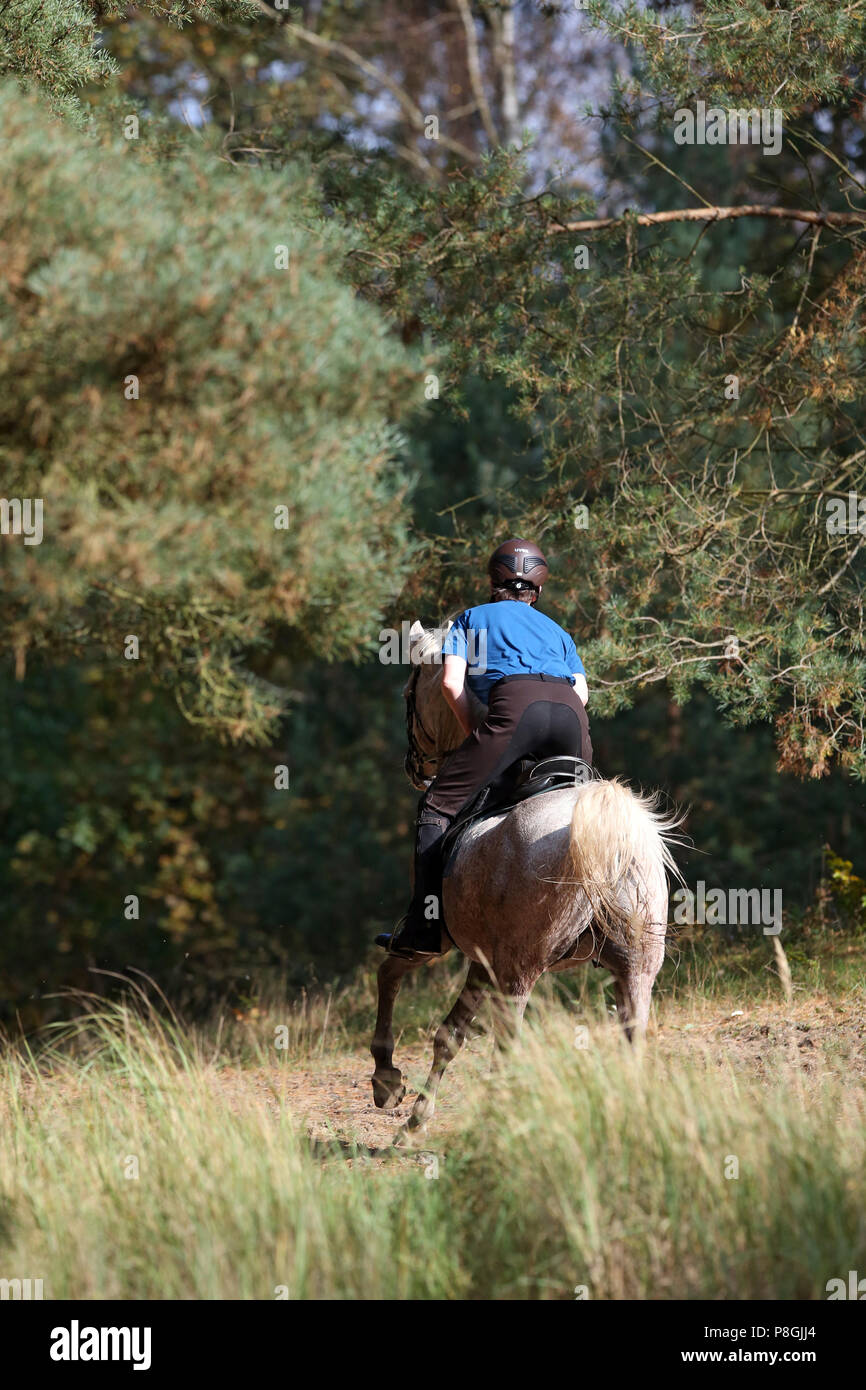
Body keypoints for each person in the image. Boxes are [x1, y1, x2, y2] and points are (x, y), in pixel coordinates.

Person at [376, 538, 592, 959]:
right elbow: (581, 692)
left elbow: (450, 683)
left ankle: (424, 928)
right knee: (590, 817)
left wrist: (484, 733)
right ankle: (598, 925)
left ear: (492, 581)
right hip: (570, 717)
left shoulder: (471, 619)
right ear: (539, 591)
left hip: (515, 709)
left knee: (435, 809)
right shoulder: (558, 631)